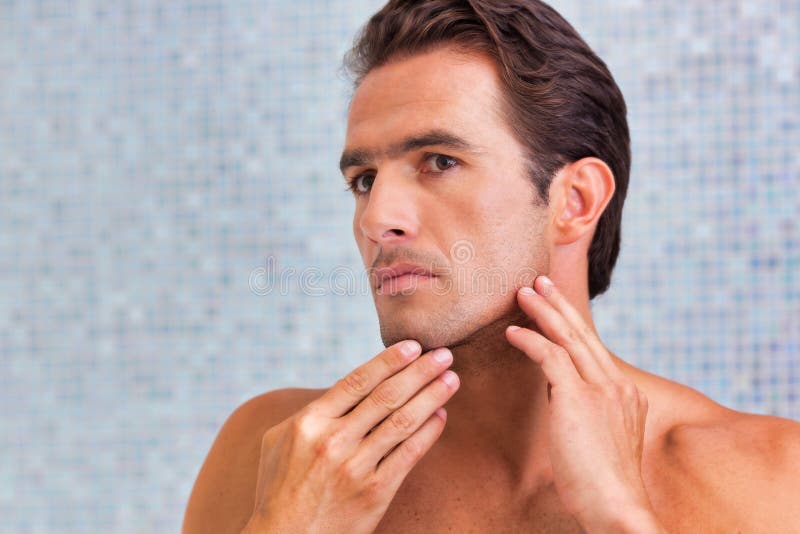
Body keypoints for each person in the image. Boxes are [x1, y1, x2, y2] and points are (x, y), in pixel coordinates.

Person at [183, 1, 800, 532]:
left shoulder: (770, 483)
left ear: (574, 202)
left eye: (439, 161)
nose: (377, 219)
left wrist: (620, 519)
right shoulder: (269, 460)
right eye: (364, 179)